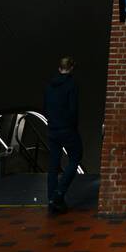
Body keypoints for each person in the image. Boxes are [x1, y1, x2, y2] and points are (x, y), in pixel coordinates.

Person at [44, 55, 82, 214]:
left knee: (53, 164)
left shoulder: (49, 85)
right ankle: (59, 194)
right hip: (67, 129)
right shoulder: (71, 85)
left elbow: (45, 106)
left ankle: (51, 199)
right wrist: (72, 126)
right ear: (71, 68)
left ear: (59, 68)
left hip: (52, 129)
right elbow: (73, 110)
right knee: (75, 158)